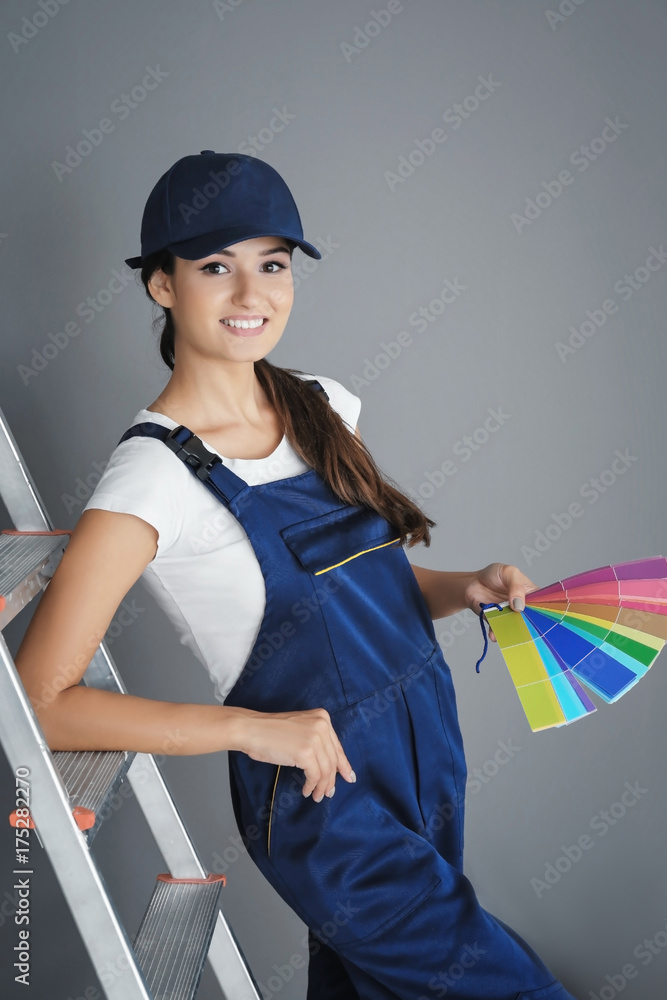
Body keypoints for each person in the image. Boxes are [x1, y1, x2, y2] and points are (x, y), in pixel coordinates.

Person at [15, 150, 578, 1000]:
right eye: (216, 267)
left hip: (423, 752)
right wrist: (247, 729)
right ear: (161, 285)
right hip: (322, 797)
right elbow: (42, 703)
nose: (252, 295)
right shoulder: (152, 478)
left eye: (272, 264)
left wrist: (463, 586)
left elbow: (369, 591)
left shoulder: (321, 404)